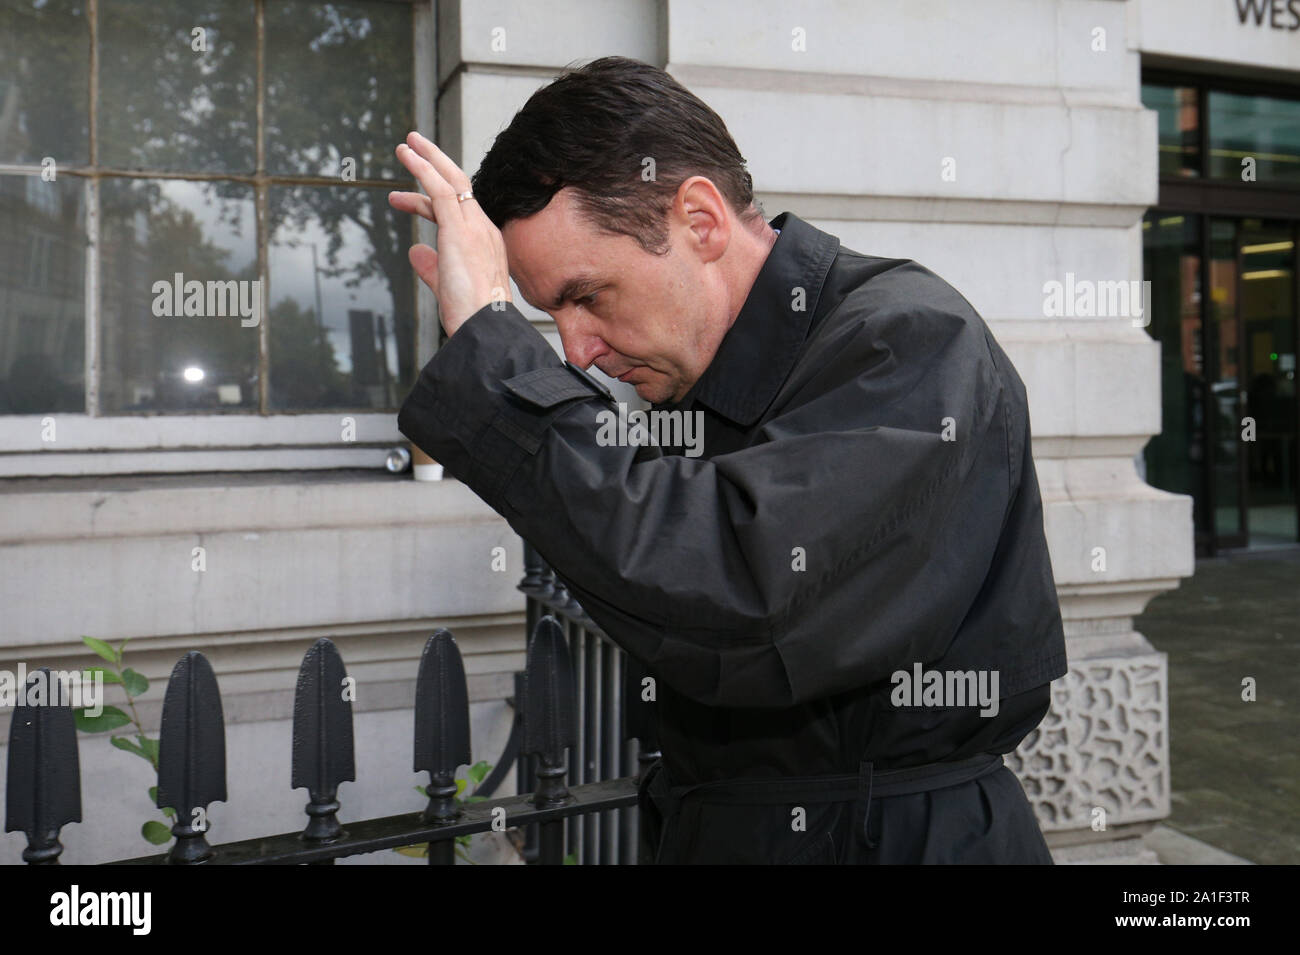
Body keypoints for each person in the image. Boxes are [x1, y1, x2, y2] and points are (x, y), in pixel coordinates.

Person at [390, 56, 1067, 864]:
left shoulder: (912, 342)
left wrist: (498, 365)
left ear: (701, 220)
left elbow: (741, 592)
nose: (577, 350)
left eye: (588, 296)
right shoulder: (693, 390)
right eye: (546, 315)